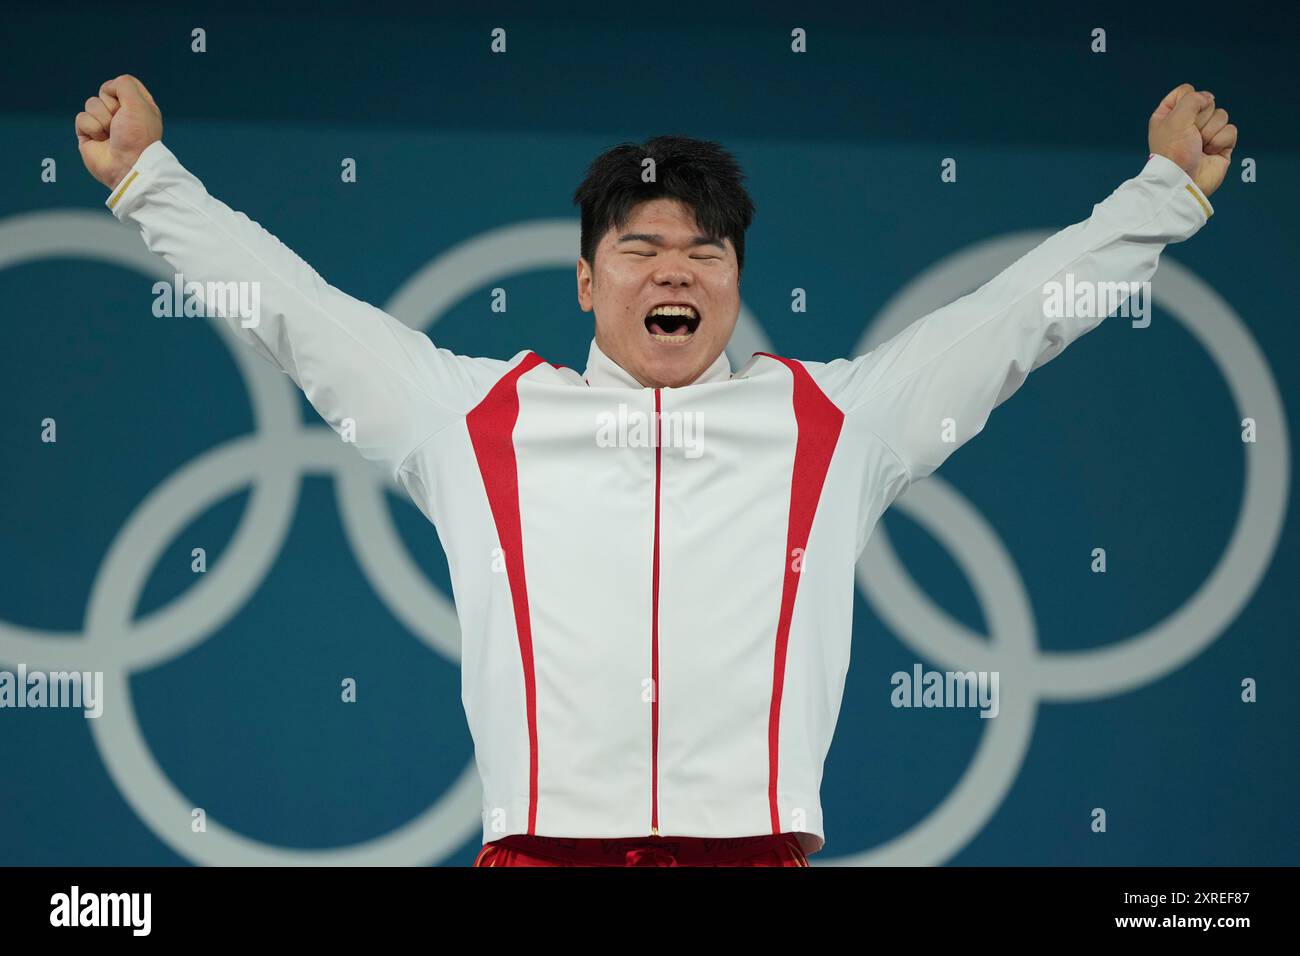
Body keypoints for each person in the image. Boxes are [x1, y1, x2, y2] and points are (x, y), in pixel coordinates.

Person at [76, 76, 1235, 868]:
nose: (670, 270)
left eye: (702, 250)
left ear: (733, 282)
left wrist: (1162, 195)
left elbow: (1011, 319)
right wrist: (148, 183)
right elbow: (296, 313)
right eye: (638, 248)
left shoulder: (831, 421)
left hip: (761, 852)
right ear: (586, 280)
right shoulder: (474, 417)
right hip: (535, 854)